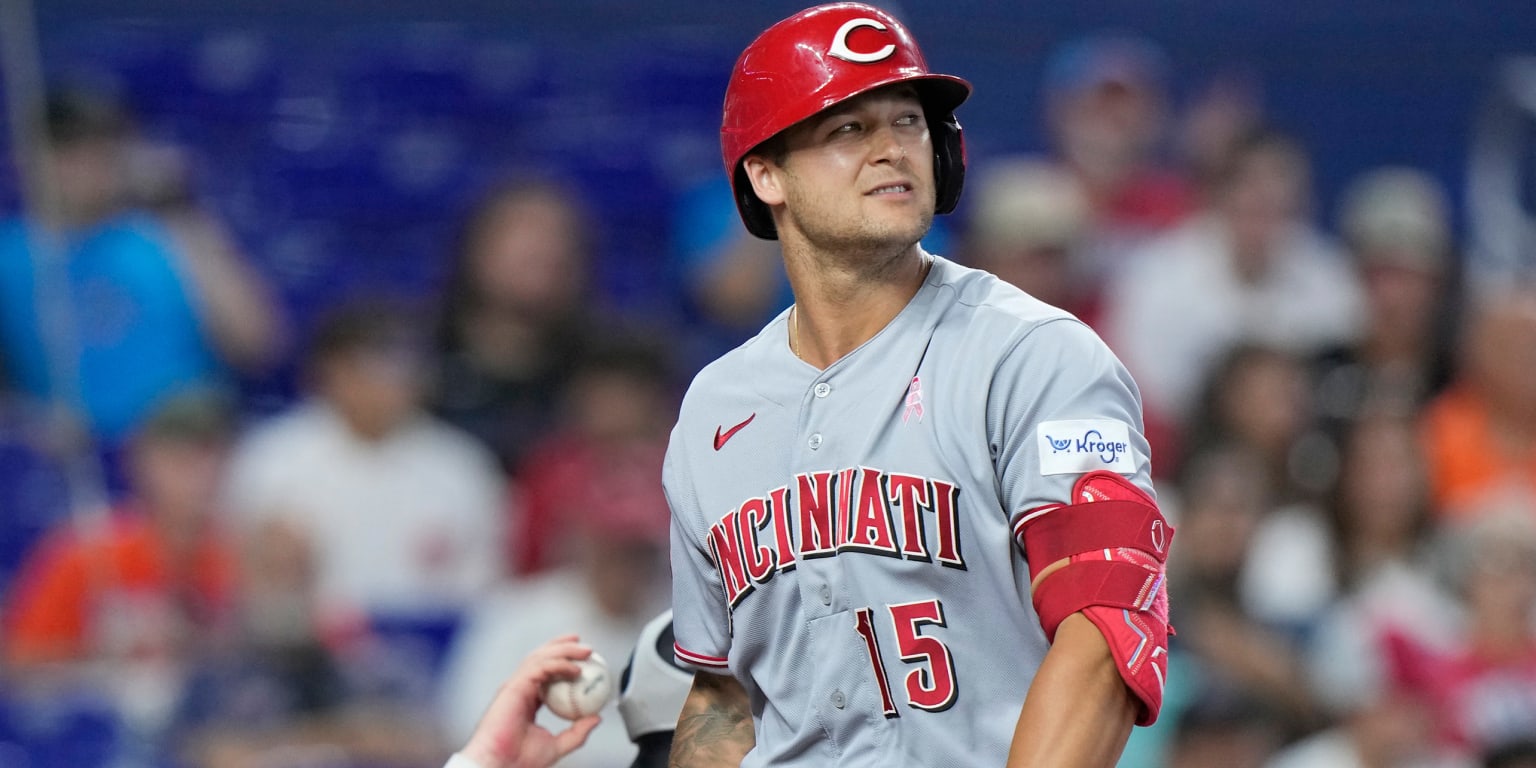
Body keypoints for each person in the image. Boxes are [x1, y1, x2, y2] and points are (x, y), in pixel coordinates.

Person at [664, 5, 1172, 767]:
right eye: (847, 129)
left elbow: (1109, 621)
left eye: (907, 121)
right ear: (765, 174)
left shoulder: (1035, 357)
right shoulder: (714, 409)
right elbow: (722, 692)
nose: (892, 149)